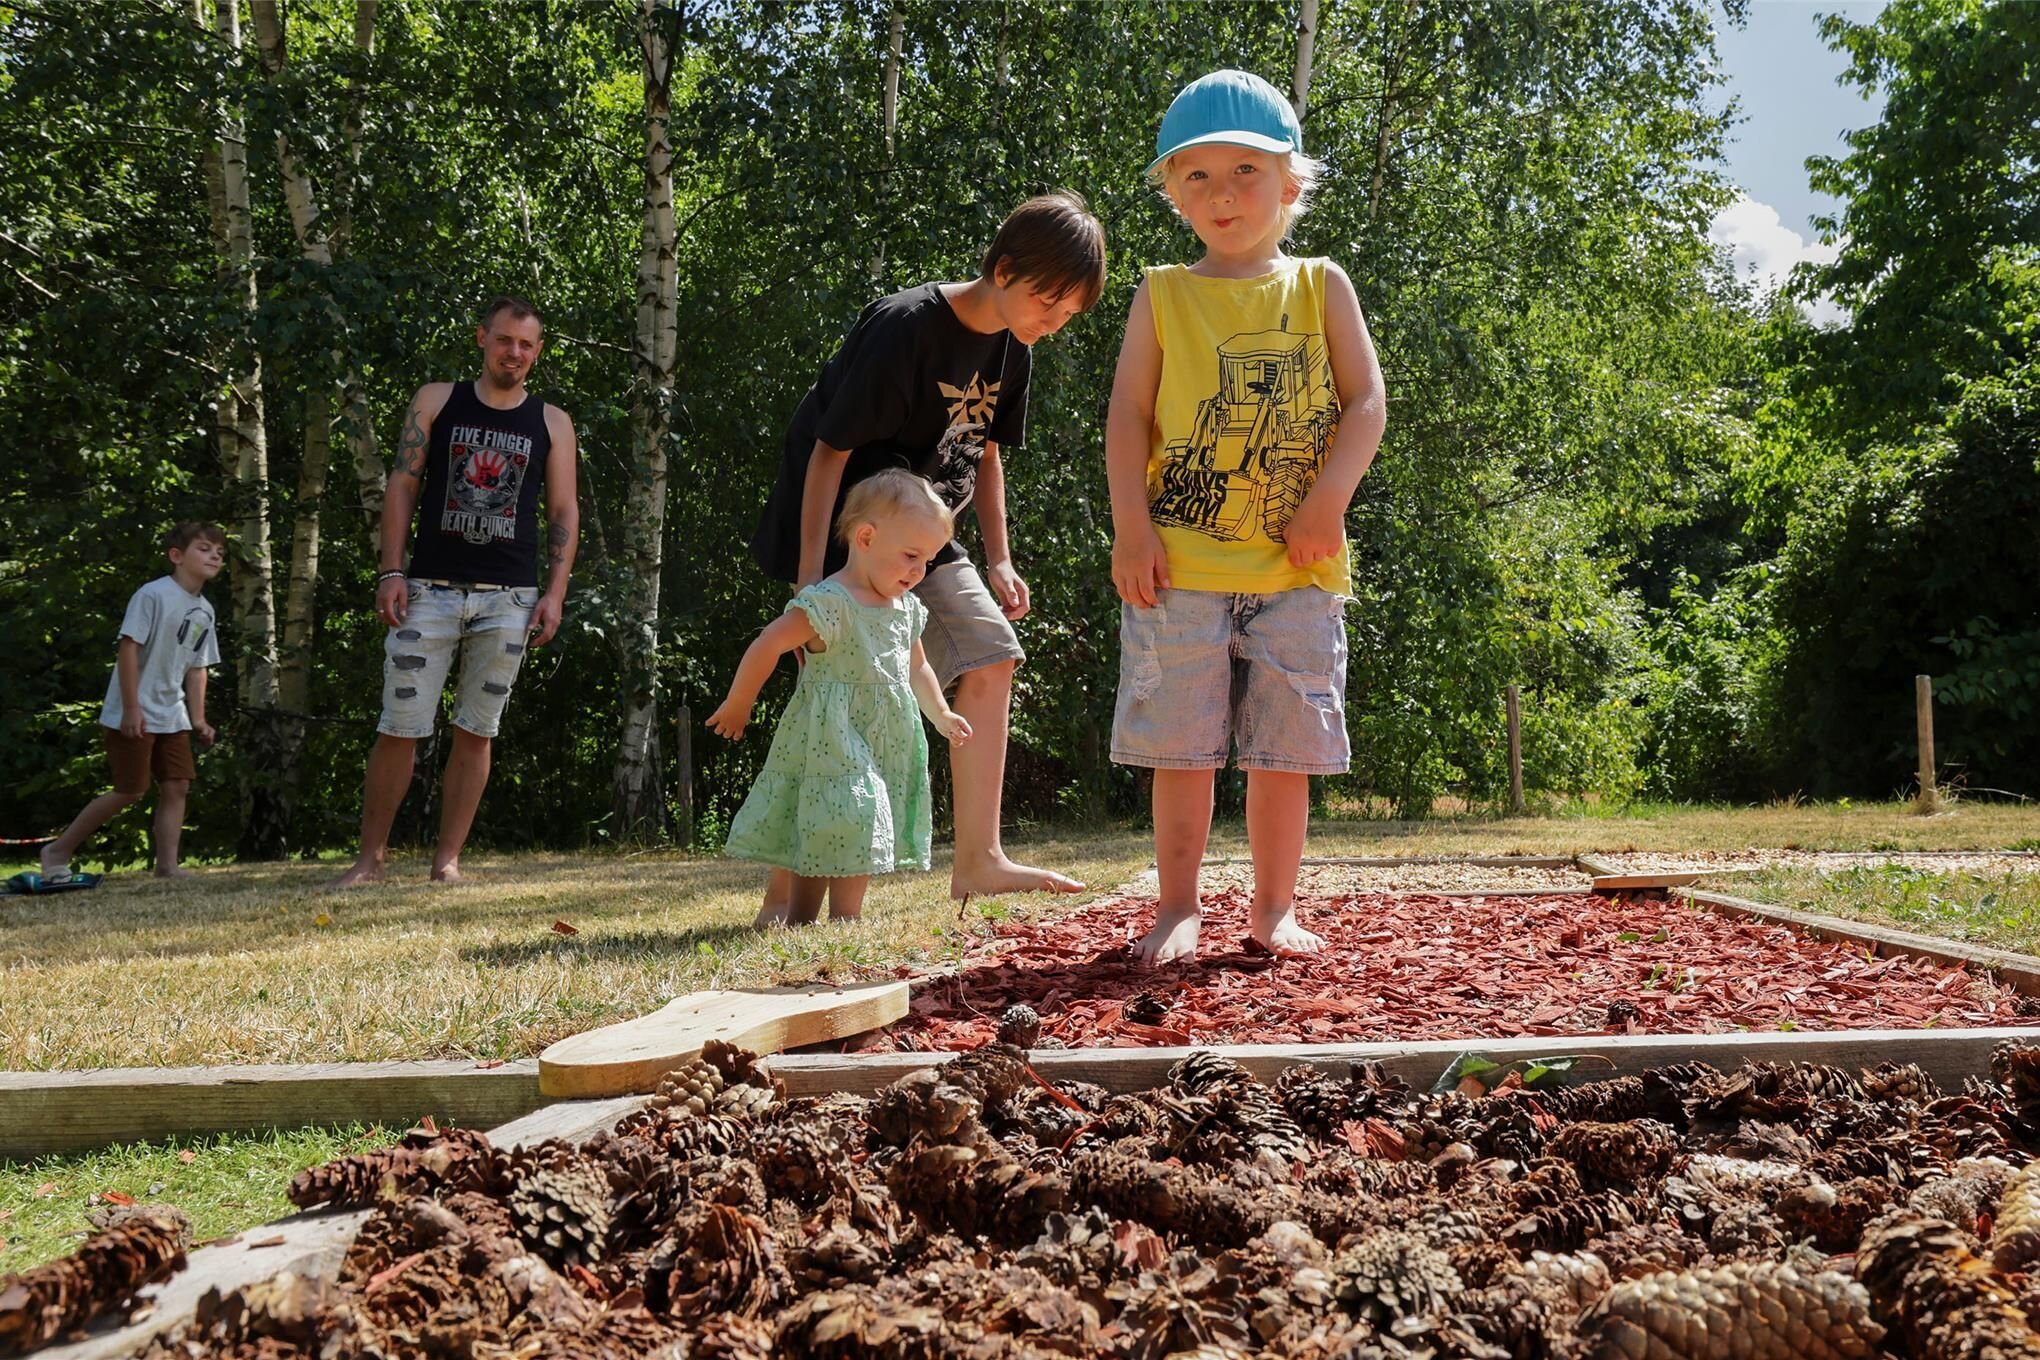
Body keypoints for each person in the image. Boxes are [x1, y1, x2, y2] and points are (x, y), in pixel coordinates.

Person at [748, 191, 1106, 920]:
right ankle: (785, 896)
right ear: (1003, 269)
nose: (1051, 322)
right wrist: (810, 590)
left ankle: (980, 861)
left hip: (927, 539)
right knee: (833, 705)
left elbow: (987, 452)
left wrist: (1000, 557)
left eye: (1068, 315)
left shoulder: (1014, 343)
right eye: (1046, 301)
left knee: (992, 654)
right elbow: (825, 454)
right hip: (857, 540)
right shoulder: (904, 327)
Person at [1104, 69, 1387, 964]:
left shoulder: (1321, 284)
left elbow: (1368, 402)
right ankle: (1178, 909)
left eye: (1246, 173)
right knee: (1179, 754)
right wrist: (1132, 528)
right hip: (1176, 572)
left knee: (1283, 753)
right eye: (1198, 176)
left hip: (1298, 575)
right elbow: (1127, 417)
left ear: (1291, 185)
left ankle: (1272, 910)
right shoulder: (1160, 294)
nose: (1223, 195)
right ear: (1172, 191)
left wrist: (1326, 501)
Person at [332, 296, 580, 887]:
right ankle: (370, 861)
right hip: (429, 592)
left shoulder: (552, 422)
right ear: (482, 339)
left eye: (525, 344)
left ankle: (447, 862)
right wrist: (390, 571)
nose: (513, 352)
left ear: (537, 351)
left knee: (478, 728)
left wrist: (555, 593)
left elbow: (564, 509)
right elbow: (402, 485)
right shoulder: (437, 400)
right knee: (400, 726)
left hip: (510, 599)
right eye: (504, 340)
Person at [710, 470, 973, 923]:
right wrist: (740, 703)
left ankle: (845, 918)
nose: (918, 571)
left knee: (857, 823)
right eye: (911, 556)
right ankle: (802, 915)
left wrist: (942, 713)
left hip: (883, 736)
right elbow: (768, 642)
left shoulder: (907, 609)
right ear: (866, 537)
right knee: (836, 814)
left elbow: (918, 668)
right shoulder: (830, 602)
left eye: (927, 561)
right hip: (831, 735)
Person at [39, 522, 226, 883]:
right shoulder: (153, 595)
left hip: (173, 714)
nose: (215, 556)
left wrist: (198, 718)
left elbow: (198, 667)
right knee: (130, 790)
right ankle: (57, 851)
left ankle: (168, 868)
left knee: (178, 785)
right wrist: (131, 708)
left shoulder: (205, 609)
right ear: (176, 556)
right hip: (134, 710)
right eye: (204, 548)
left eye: (220, 552)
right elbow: (128, 649)